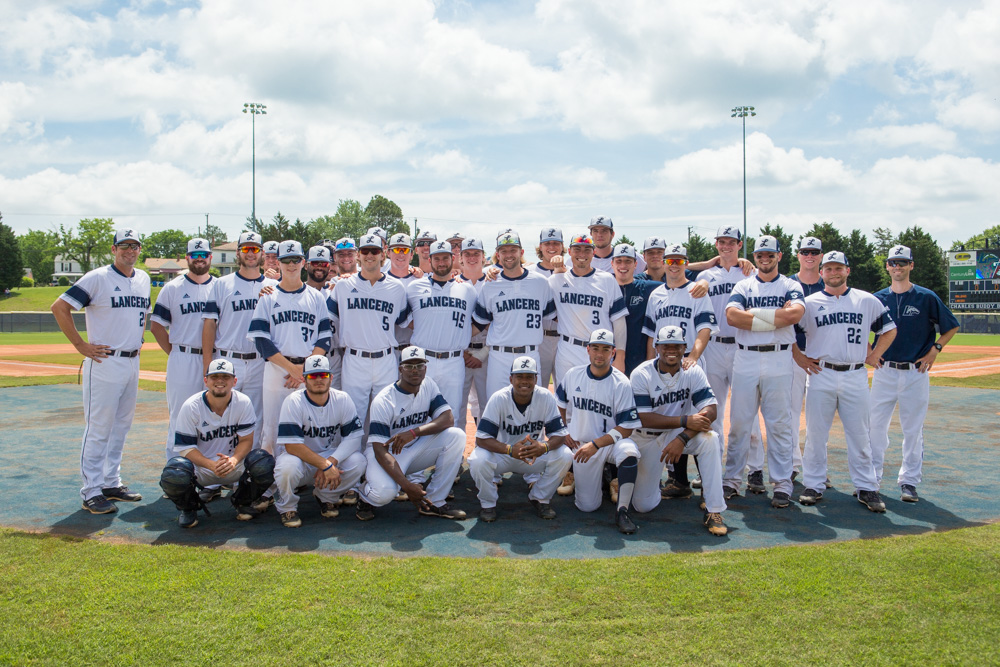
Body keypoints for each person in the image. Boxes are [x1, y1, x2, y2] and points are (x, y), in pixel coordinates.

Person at [50, 228, 151, 514]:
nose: (129, 250)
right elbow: (59, 307)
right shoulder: (97, 277)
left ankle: (110, 482)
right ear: (114, 249)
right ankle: (91, 491)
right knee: (99, 427)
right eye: (124, 245)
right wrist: (80, 344)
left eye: (135, 246)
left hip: (132, 360)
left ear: (139, 250)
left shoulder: (143, 278)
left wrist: (138, 339)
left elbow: (143, 314)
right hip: (105, 361)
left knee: (121, 425)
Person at [793, 251, 897, 512]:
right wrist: (801, 359)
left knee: (860, 434)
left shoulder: (866, 300)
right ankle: (813, 484)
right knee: (816, 434)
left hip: (854, 373)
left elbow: (889, 329)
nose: (833, 273)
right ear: (821, 273)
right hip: (821, 373)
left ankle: (866, 487)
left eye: (838, 268)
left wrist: (874, 355)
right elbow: (789, 332)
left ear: (847, 271)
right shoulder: (810, 302)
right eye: (828, 269)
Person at [869, 244, 960, 503]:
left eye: (902, 262)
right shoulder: (876, 298)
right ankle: (871, 479)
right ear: (887, 266)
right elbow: (859, 324)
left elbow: (951, 326)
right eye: (893, 263)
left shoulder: (926, 297)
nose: (897, 267)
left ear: (911, 265)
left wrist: (935, 350)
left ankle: (909, 482)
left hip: (915, 373)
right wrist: (870, 351)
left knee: (912, 429)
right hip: (884, 372)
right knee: (875, 428)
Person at [723, 235, 805, 508]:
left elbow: (794, 316)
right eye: (760, 254)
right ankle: (732, 480)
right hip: (745, 358)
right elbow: (732, 317)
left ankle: (782, 484)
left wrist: (753, 316)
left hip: (779, 359)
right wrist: (773, 317)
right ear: (755, 257)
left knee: (779, 424)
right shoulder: (744, 285)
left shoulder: (790, 285)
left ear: (779, 256)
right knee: (739, 424)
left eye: (770, 254)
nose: (765, 258)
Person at [629, 326, 728, 535]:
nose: (671, 350)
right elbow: (642, 417)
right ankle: (641, 482)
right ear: (657, 347)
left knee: (711, 439)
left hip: (676, 434)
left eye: (676, 346)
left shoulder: (693, 370)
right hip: (646, 438)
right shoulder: (641, 374)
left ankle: (714, 509)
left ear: (685, 348)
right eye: (666, 346)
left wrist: (683, 437)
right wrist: (685, 420)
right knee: (642, 506)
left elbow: (711, 411)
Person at [159, 358, 275, 528]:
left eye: (225, 377)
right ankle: (189, 508)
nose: (220, 381)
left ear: (234, 381)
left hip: (232, 464)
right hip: (202, 467)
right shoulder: (191, 406)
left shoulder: (243, 402)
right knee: (174, 473)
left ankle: (243, 502)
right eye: (215, 377)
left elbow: (246, 440)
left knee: (264, 462)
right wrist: (211, 465)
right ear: (206, 381)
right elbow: (186, 449)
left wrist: (234, 460)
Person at [355, 347, 467, 521]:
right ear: (400, 369)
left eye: (419, 365)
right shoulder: (384, 400)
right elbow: (379, 450)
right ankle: (363, 494)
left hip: (415, 449)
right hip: (386, 453)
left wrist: (413, 432)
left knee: (456, 436)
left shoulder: (428, 384)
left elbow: (448, 419)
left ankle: (435, 501)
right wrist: (406, 486)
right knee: (384, 494)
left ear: (425, 368)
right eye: (409, 366)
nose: (415, 370)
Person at [693, 225, 764, 496]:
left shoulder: (750, 272)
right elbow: (675, 266)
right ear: (716, 245)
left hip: (742, 346)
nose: (726, 246)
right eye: (721, 242)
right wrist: (707, 267)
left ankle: (755, 469)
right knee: (712, 411)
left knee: (747, 412)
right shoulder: (705, 275)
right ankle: (712, 469)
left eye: (731, 242)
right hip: (712, 346)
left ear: (739, 244)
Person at [247, 240, 333, 459]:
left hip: (308, 369)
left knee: (309, 426)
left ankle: (305, 475)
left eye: (295, 260)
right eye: (286, 260)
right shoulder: (267, 296)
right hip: (277, 369)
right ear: (279, 263)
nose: (291, 265)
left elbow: (325, 338)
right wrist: (292, 369)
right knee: (272, 427)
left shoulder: (316, 297)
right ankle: (269, 483)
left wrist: (303, 369)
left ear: (303, 263)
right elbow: (261, 341)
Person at [556, 329, 642, 534]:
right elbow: (558, 404)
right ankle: (599, 479)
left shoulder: (621, 382)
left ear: (613, 352)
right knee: (587, 506)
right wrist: (563, 430)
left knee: (629, 451)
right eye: (595, 348)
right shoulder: (573, 375)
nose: (600, 354)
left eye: (606, 349)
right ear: (588, 350)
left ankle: (622, 511)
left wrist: (596, 445)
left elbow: (627, 428)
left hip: (608, 444)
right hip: (582, 446)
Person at [469, 356, 573, 522]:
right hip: (503, 454)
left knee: (565, 454)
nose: (524, 381)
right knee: (477, 459)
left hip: (533, 455)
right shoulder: (499, 398)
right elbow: (482, 439)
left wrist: (543, 447)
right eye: (520, 376)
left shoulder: (545, 396)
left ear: (536, 379)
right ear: (511, 379)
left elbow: (560, 435)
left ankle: (540, 497)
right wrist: (509, 449)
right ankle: (488, 503)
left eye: (529, 377)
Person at [272, 355, 367, 527]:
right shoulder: (293, 401)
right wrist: (326, 465)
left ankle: (326, 497)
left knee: (358, 462)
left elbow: (354, 437)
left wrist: (330, 461)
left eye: (323, 375)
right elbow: (292, 446)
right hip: (298, 460)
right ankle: (287, 507)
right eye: (313, 376)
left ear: (331, 377)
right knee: (287, 468)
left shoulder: (342, 399)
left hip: (327, 456)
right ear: (304, 379)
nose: (318, 380)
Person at [202, 231, 275, 452]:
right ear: (238, 253)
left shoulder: (274, 285)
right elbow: (210, 324)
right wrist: (208, 363)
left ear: (262, 253)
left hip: (260, 361)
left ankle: (249, 474)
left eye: (255, 249)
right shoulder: (222, 284)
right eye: (246, 249)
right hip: (228, 358)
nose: (250, 253)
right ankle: (219, 471)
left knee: (256, 418)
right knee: (222, 417)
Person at [329, 234, 412, 427]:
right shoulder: (343, 285)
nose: (369, 255)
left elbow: (405, 322)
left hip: (386, 359)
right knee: (353, 416)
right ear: (358, 255)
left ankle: (380, 456)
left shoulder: (396, 288)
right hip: (354, 359)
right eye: (365, 251)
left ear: (383, 254)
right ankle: (354, 457)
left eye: (374, 251)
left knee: (385, 414)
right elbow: (327, 319)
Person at [150, 238, 215, 459]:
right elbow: (156, 326)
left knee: (212, 416)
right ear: (187, 258)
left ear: (210, 258)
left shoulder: (220, 286)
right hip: (183, 356)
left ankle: (209, 477)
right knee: (180, 416)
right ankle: (175, 473)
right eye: (194, 255)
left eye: (203, 255)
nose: (199, 259)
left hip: (214, 359)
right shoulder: (173, 287)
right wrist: (175, 353)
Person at [472, 231, 557, 398]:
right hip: (499, 357)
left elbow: (555, 317)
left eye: (513, 250)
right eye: (504, 251)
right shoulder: (490, 285)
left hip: (530, 354)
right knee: (497, 407)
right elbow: (478, 325)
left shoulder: (540, 282)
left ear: (522, 252)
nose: (509, 255)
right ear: (498, 254)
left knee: (532, 409)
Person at [406, 240, 478, 428]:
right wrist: (426, 327)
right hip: (423, 359)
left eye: (445, 258)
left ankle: (451, 457)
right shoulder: (414, 288)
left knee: (452, 411)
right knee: (419, 411)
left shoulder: (467, 289)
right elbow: (403, 319)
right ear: (429, 261)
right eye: (436, 258)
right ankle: (421, 457)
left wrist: (459, 334)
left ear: (453, 259)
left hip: (454, 360)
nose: (441, 262)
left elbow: (480, 320)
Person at [548, 234, 628, 384]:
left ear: (594, 253)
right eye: (577, 249)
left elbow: (619, 321)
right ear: (570, 252)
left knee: (599, 401)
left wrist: (620, 358)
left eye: (587, 250)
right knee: (566, 401)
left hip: (600, 351)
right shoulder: (556, 281)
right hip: (567, 350)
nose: (582, 254)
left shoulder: (607, 280)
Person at [786, 236, 825, 481]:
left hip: (821, 360)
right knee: (789, 414)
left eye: (814, 252)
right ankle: (792, 465)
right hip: (792, 356)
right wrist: (797, 354)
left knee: (817, 418)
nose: (809, 256)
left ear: (820, 256)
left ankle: (816, 468)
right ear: (798, 255)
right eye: (804, 251)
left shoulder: (830, 283)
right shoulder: (787, 284)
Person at [641, 243, 718, 364]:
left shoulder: (696, 291)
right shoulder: (655, 295)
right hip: (661, 359)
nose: (674, 265)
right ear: (663, 263)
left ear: (687, 264)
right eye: (670, 261)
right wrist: (650, 362)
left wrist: (693, 357)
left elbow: (705, 330)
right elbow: (651, 334)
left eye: (679, 261)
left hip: (688, 358)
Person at [610, 244, 661, 376]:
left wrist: (703, 283)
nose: (623, 265)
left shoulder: (648, 287)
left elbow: (679, 284)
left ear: (635, 264)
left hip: (640, 358)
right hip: (608, 356)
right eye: (619, 261)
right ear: (612, 263)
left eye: (628, 261)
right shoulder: (604, 286)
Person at [457, 238, 490, 430]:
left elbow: (499, 324)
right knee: (458, 405)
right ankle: (457, 455)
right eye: (467, 254)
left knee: (487, 404)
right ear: (460, 258)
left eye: (476, 253)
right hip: (460, 354)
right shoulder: (452, 284)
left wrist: (483, 353)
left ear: (484, 257)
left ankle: (485, 451)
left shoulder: (494, 282)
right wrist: (462, 352)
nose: (472, 257)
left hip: (487, 351)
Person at [530, 227, 566, 391]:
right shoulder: (529, 271)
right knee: (538, 389)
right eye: (547, 243)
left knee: (565, 388)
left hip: (563, 339)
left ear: (562, 246)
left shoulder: (571, 273)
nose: (552, 247)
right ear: (540, 247)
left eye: (556, 243)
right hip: (540, 337)